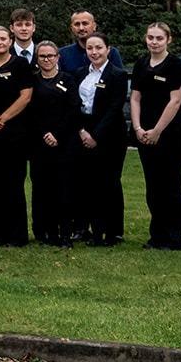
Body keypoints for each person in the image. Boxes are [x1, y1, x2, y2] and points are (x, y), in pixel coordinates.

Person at [131, 21, 181, 249]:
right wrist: (138, 128)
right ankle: (157, 236)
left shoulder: (176, 66)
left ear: (168, 40)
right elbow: (135, 98)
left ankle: (175, 238)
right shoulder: (141, 64)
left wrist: (157, 130)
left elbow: (175, 101)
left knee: (171, 186)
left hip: (169, 134)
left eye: (159, 38)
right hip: (144, 134)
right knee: (153, 187)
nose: (154, 42)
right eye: (150, 37)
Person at [73, 30, 128, 246]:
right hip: (83, 132)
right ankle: (89, 229)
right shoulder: (79, 74)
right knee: (86, 184)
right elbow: (74, 105)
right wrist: (81, 131)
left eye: (98, 48)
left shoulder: (118, 75)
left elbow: (115, 108)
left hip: (109, 135)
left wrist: (96, 136)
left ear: (108, 50)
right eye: (89, 48)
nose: (94, 52)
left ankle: (113, 232)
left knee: (109, 183)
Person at [0, 25, 34, 246]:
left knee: (14, 184)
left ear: (10, 41)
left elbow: (26, 96)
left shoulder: (20, 64)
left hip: (14, 134)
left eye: (3, 38)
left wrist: (3, 117)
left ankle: (16, 235)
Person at [28, 39, 78, 247]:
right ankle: (44, 232)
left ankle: (65, 233)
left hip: (64, 143)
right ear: (37, 59)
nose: (47, 59)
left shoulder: (68, 80)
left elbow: (73, 109)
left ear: (58, 57)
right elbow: (30, 112)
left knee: (64, 190)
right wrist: (44, 133)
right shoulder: (32, 81)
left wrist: (57, 134)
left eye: (50, 55)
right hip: (39, 144)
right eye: (42, 56)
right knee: (41, 190)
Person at [58, 9, 123, 72]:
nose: (81, 28)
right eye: (77, 24)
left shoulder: (110, 53)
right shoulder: (63, 54)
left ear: (94, 26)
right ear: (72, 28)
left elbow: (119, 79)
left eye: (85, 23)